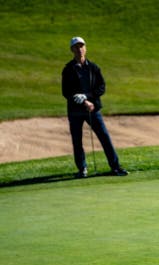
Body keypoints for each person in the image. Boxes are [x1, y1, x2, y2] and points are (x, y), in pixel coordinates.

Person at [61, 36, 128, 178]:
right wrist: (83, 101)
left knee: (104, 137)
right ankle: (82, 169)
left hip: (93, 110)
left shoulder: (93, 68)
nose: (79, 49)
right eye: (76, 47)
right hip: (75, 112)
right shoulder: (68, 70)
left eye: (81, 46)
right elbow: (66, 92)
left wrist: (87, 97)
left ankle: (115, 167)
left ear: (85, 48)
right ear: (72, 50)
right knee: (77, 141)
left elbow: (101, 87)